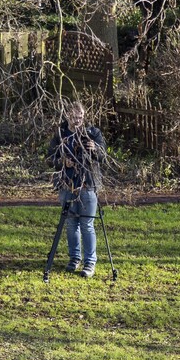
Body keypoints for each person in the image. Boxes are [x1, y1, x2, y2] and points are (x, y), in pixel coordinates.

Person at [48, 103, 108, 276]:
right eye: (75, 117)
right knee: (71, 222)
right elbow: (50, 158)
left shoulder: (92, 133)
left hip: (88, 183)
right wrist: (62, 162)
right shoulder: (60, 134)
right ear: (67, 115)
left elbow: (103, 157)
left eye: (81, 117)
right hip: (67, 184)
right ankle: (74, 258)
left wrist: (94, 148)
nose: (78, 121)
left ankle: (90, 263)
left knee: (87, 223)